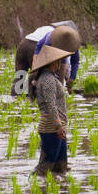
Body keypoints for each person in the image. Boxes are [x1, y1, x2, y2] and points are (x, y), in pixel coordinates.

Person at [32, 44, 71, 176]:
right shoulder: (48, 80)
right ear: (51, 63)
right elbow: (51, 105)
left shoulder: (49, 77)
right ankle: (36, 190)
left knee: (61, 166)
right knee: (45, 167)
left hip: (56, 128)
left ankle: (60, 192)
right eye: (58, 61)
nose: (60, 64)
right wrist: (58, 125)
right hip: (51, 128)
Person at [13, 21, 81, 96]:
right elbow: (64, 66)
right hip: (35, 46)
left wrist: (72, 79)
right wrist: (65, 83)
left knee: (20, 77)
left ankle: (16, 98)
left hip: (23, 45)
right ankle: (42, 97)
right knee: (43, 78)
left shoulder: (53, 32)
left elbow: (75, 62)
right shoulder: (57, 38)